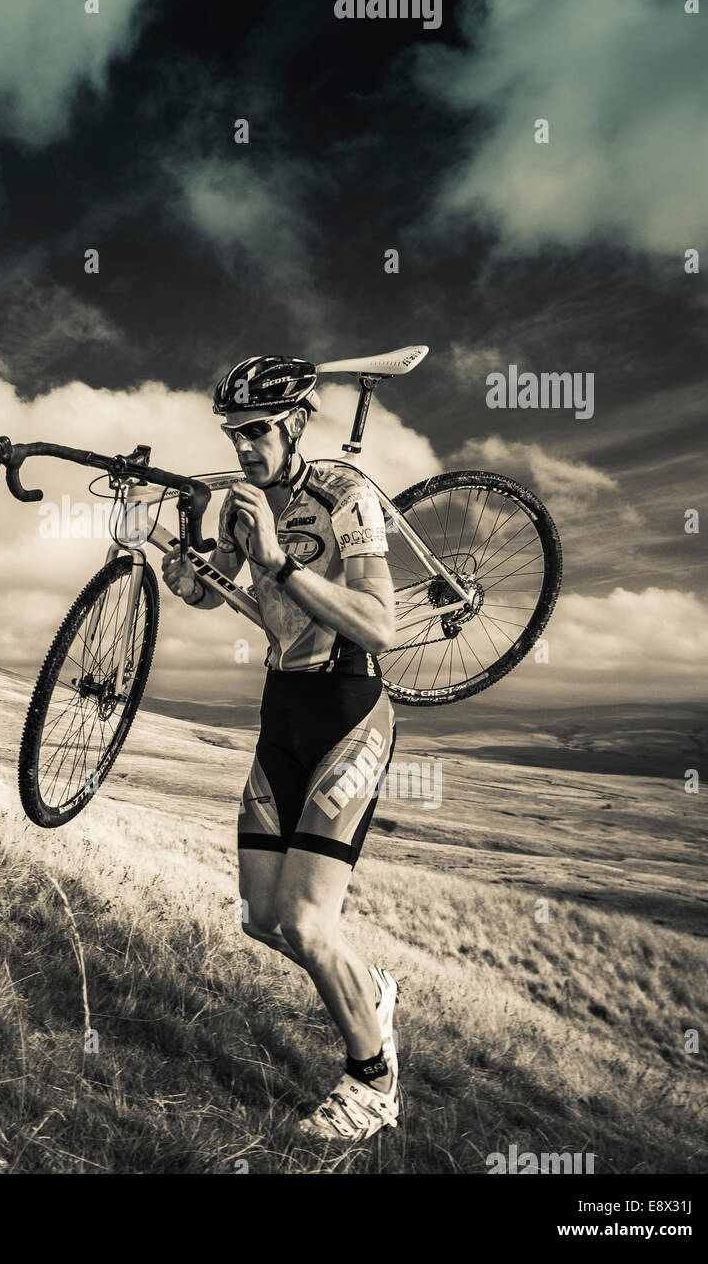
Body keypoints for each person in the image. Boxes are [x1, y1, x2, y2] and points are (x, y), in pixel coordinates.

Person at [162, 354, 401, 1141]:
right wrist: (190, 574)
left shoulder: (348, 496)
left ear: (296, 423)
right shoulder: (242, 502)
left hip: (347, 707)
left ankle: (372, 1079)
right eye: (233, 434)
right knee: (261, 919)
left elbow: (378, 624)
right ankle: (369, 988)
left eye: (257, 431)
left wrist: (283, 560)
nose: (243, 448)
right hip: (281, 708)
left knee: (306, 922)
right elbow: (222, 586)